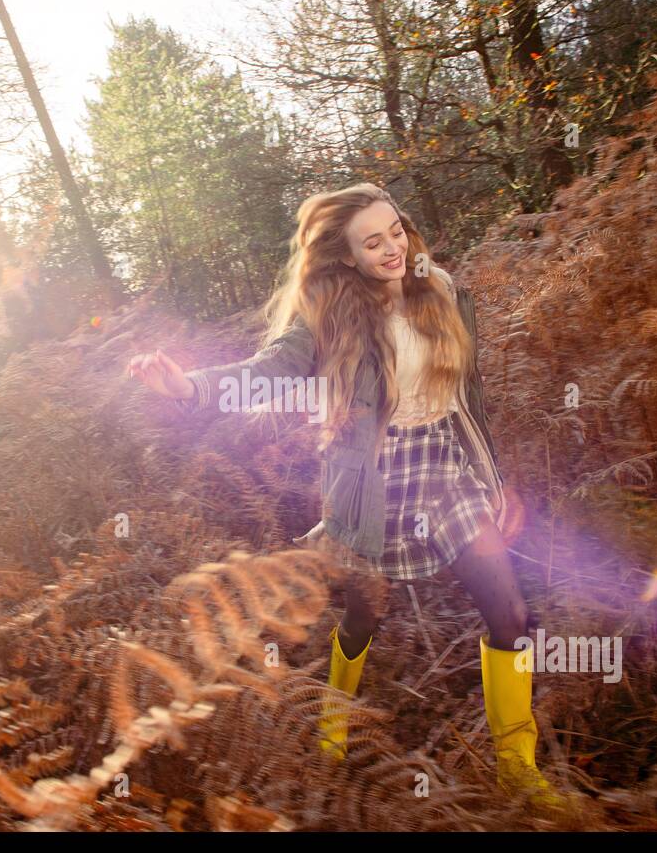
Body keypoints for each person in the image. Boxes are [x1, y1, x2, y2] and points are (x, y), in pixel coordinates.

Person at [127, 183, 568, 812]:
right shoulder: (329, 312)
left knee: (512, 618)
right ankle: (333, 726)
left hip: (445, 469)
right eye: (373, 241)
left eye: (396, 231)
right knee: (364, 614)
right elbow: (269, 372)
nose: (393, 248)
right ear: (347, 256)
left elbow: (471, 398)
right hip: (370, 482)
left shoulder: (444, 292)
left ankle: (516, 769)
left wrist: (493, 478)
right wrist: (188, 388)